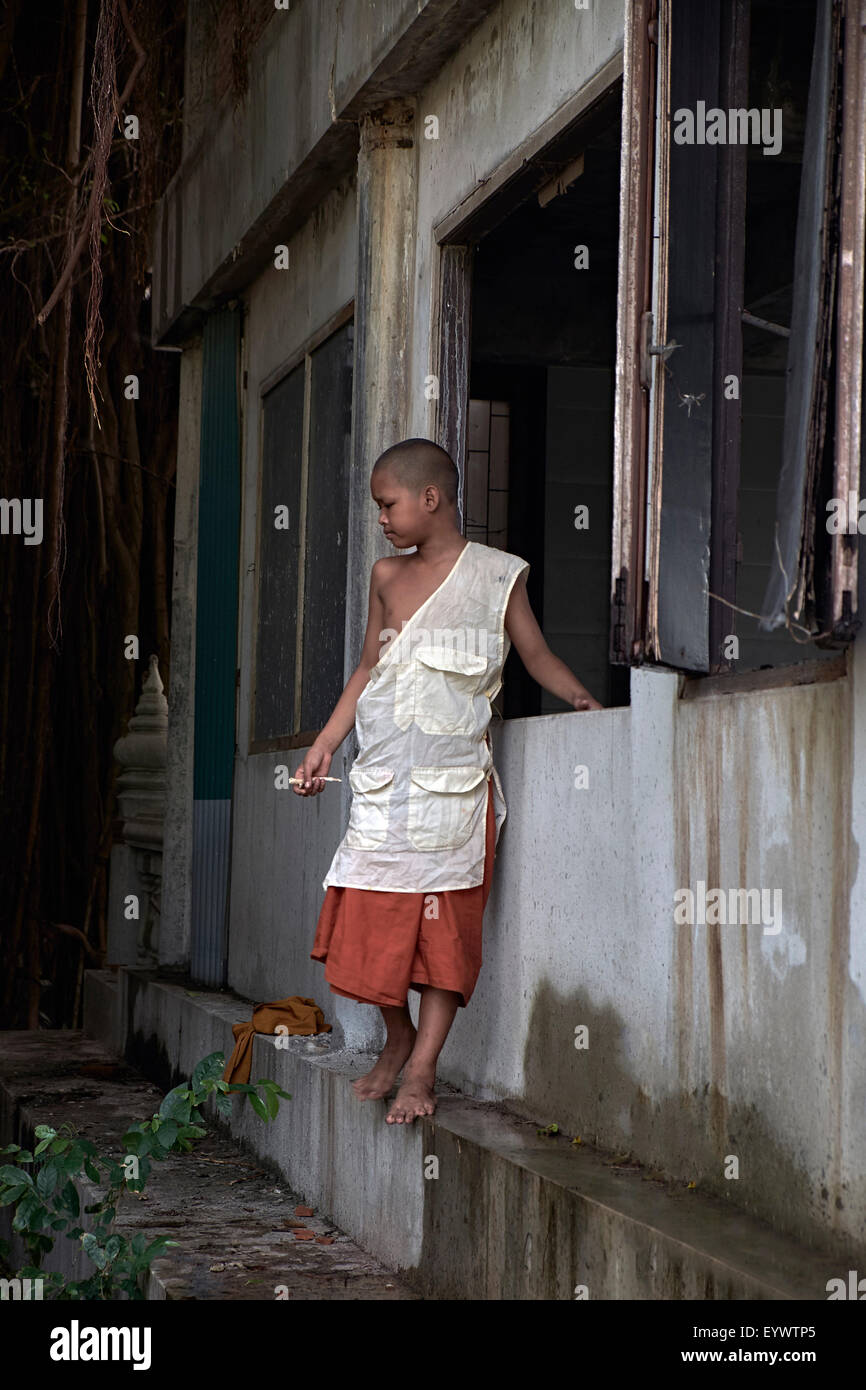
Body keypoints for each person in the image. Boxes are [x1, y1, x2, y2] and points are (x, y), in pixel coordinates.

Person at [293, 437, 602, 1124]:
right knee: (363, 925)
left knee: (443, 940)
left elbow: (535, 654)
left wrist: (581, 698)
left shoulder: (497, 576)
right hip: (381, 790)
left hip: (452, 794)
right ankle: (395, 1035)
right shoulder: (385, 577)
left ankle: (423, 1067)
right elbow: (368, 671)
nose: (381, 518)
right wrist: (324, 744)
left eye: (387, 504)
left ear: (430, 498)